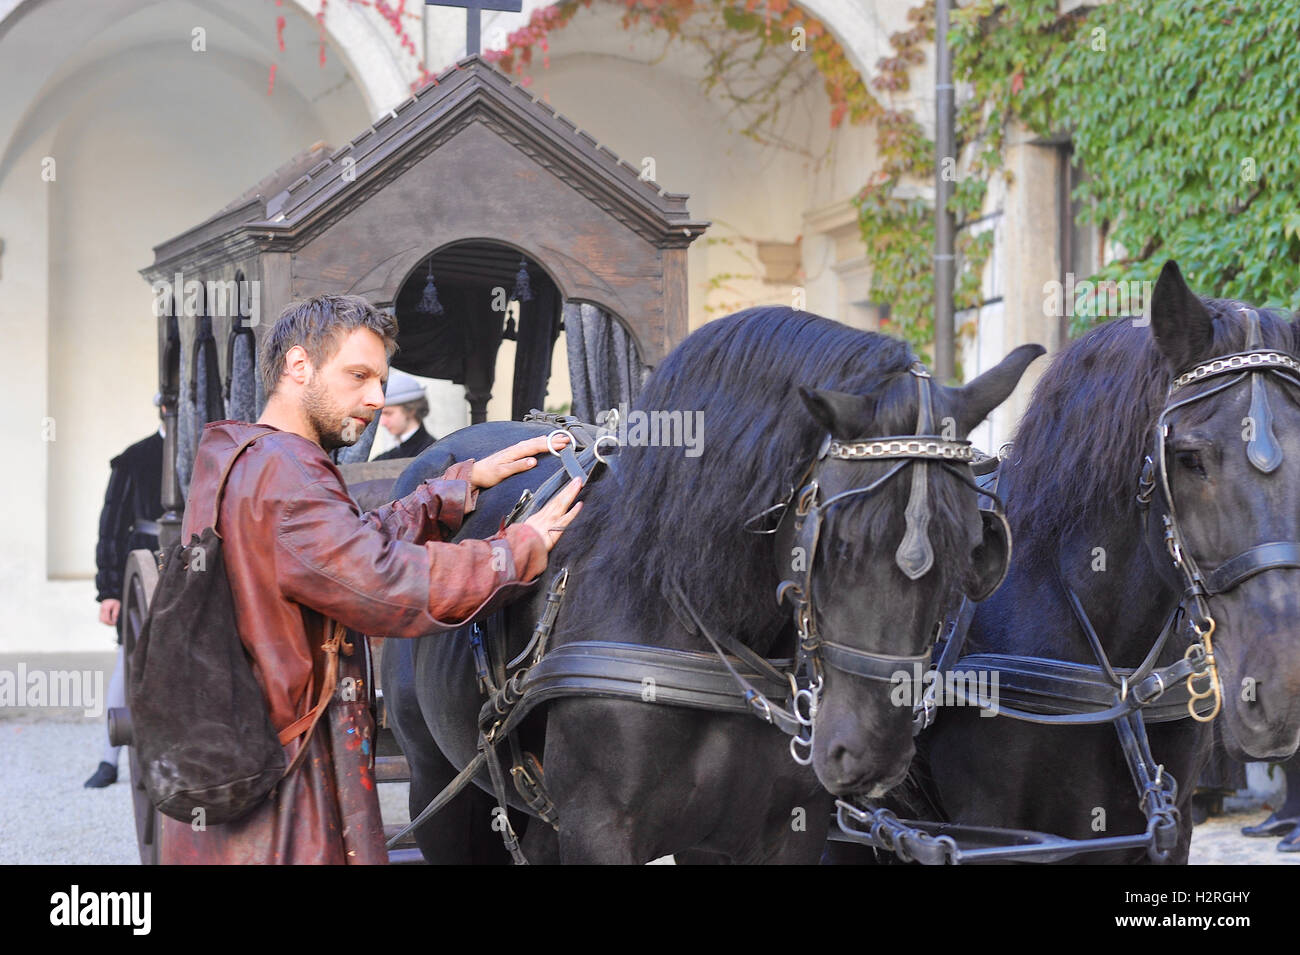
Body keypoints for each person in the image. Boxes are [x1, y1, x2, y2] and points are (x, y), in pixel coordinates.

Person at [158, 294, 582, 864]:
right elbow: (382, 583)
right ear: (298, 365)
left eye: (381, 380)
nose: (377, 399)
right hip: (286, 767)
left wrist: (457, 489)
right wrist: (517, 549)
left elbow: (342, 551)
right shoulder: (290, 473)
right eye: (358, 375)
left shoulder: (245, 454)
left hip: (244, 746)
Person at [86, 397, 165, 788]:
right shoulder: (133, 459)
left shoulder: (209, 452)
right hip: (142, 564)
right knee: (126, 660)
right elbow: (111, 525)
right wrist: (109, 591)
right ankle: (108, 758)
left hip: (192, 559)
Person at [372, 368, 436, 460]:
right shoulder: (382, 459)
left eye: (388, 413)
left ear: (410, 410)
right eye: (381, 414)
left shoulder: (435, 454)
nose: (382, 422)